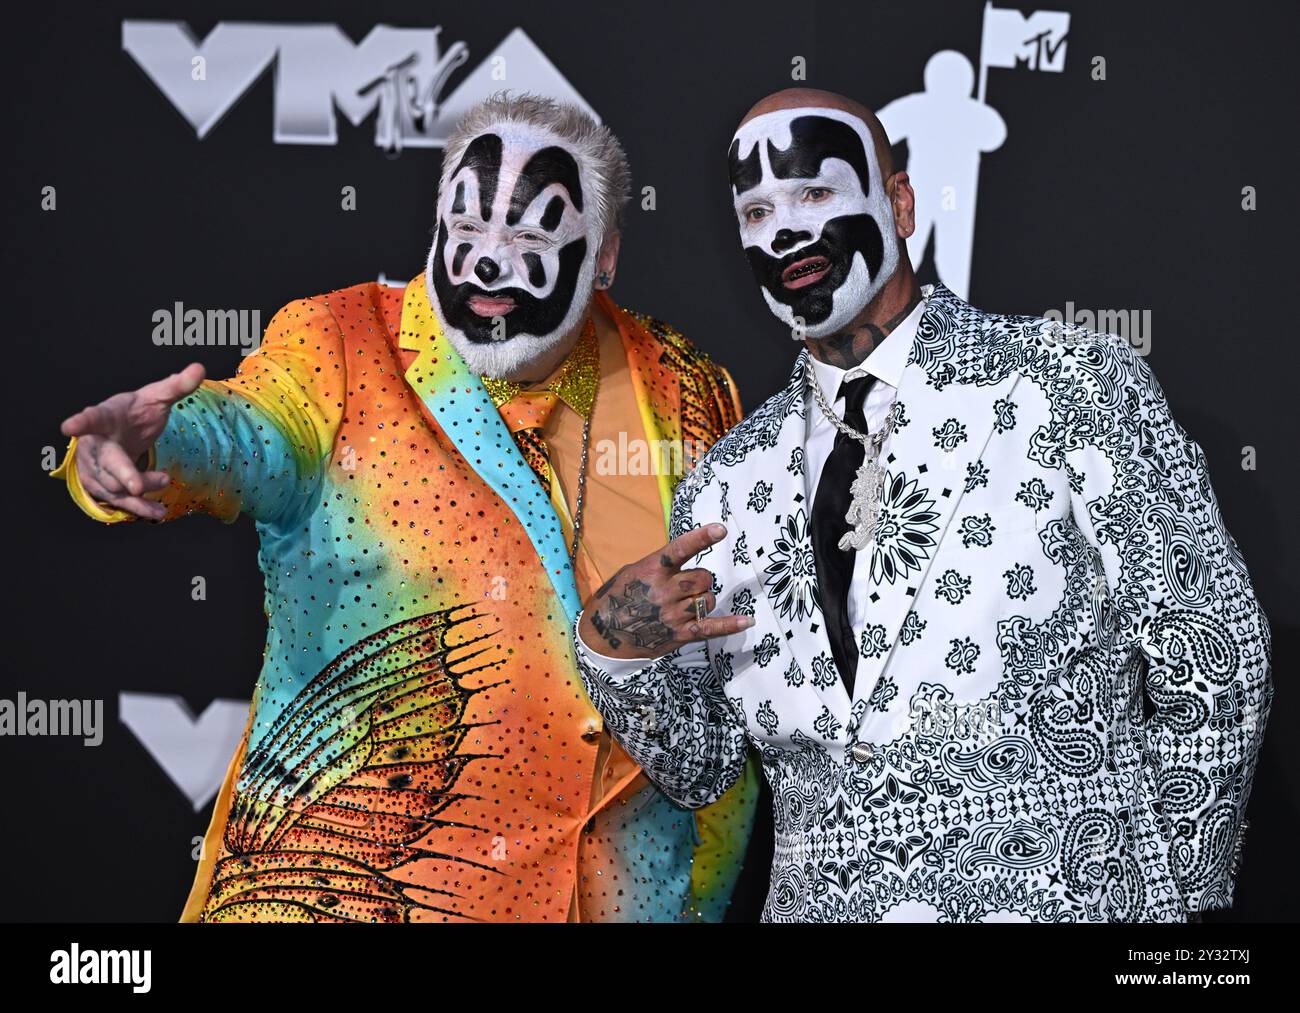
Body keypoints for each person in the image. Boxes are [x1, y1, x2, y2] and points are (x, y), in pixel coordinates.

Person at [55, 92, 757, 923]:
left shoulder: (687, 386)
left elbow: (723, 682)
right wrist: (149, 447)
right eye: (466, 226)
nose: (488, 261)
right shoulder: (339, 343)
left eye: (532, 233)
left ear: (604, 256)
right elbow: (246, 435)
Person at [574, 87, 1271, 922]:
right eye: (757, 210)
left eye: (815, 193)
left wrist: (1166, 903)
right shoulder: (728, 484)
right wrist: (613, 652)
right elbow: (704, 768)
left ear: (899, 205)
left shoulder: (1067, 382)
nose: (787, 228)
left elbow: (1217, 656)